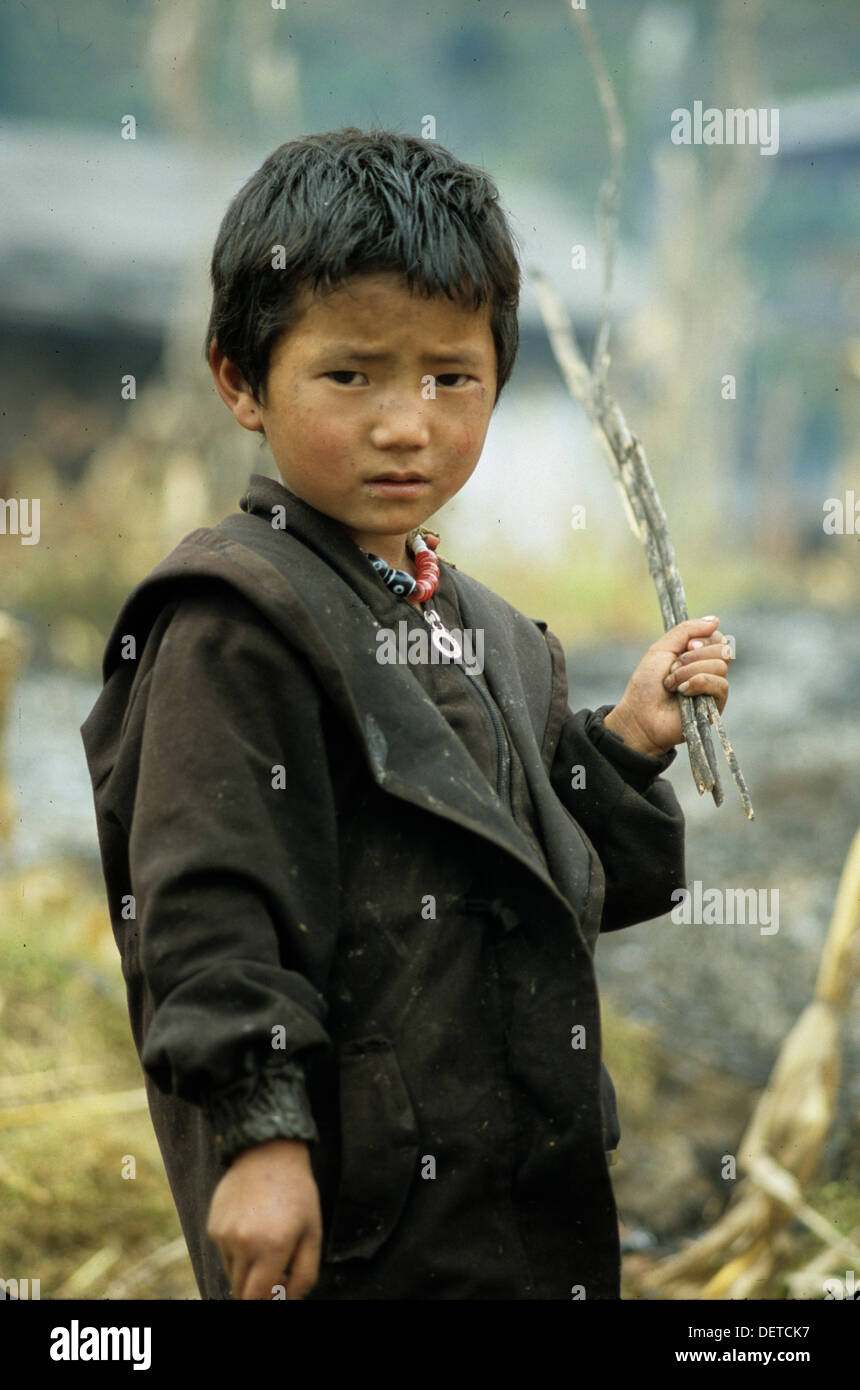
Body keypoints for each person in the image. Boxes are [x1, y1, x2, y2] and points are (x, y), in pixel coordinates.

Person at [80, 127, 732, 1301]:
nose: (405, 423)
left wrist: (624, 746)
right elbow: (207, 900)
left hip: (517, 1199)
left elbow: (552, 879)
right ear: (240, 379)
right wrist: (260, 1135)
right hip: (356, 1213)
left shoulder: (483, 626)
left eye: (449, 377)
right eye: (351, 374)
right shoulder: (234, 619)